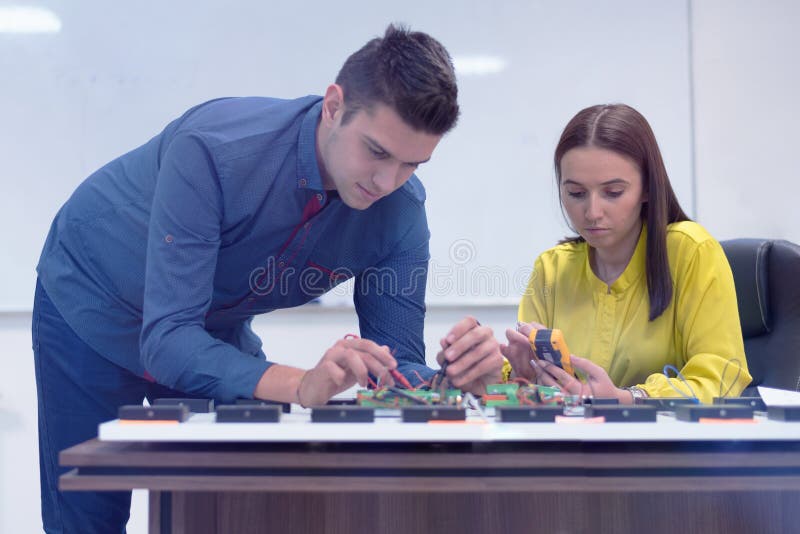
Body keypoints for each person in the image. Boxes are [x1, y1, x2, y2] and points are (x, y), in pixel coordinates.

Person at [33, 24, 502, 533]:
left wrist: (450, 383)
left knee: (236, 506)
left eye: (412, 164)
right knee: (87, 517)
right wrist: (303, 384)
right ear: (333, 105)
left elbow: (393, 367)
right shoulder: (215, 147)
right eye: (377, 152)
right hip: (91, 299)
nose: (387, 182)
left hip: (207, 326)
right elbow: (167, 342)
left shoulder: (402, 215)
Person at [500, 103, 752, 405]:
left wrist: (630, 398)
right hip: (571, 446)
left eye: (613, 192)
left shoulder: (691, 251)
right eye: (576, 194)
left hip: (668, 449)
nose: (592, 213)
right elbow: (532, 390)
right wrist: (521, 374)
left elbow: (721, 378)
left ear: (647, 188)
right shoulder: (552, 267)